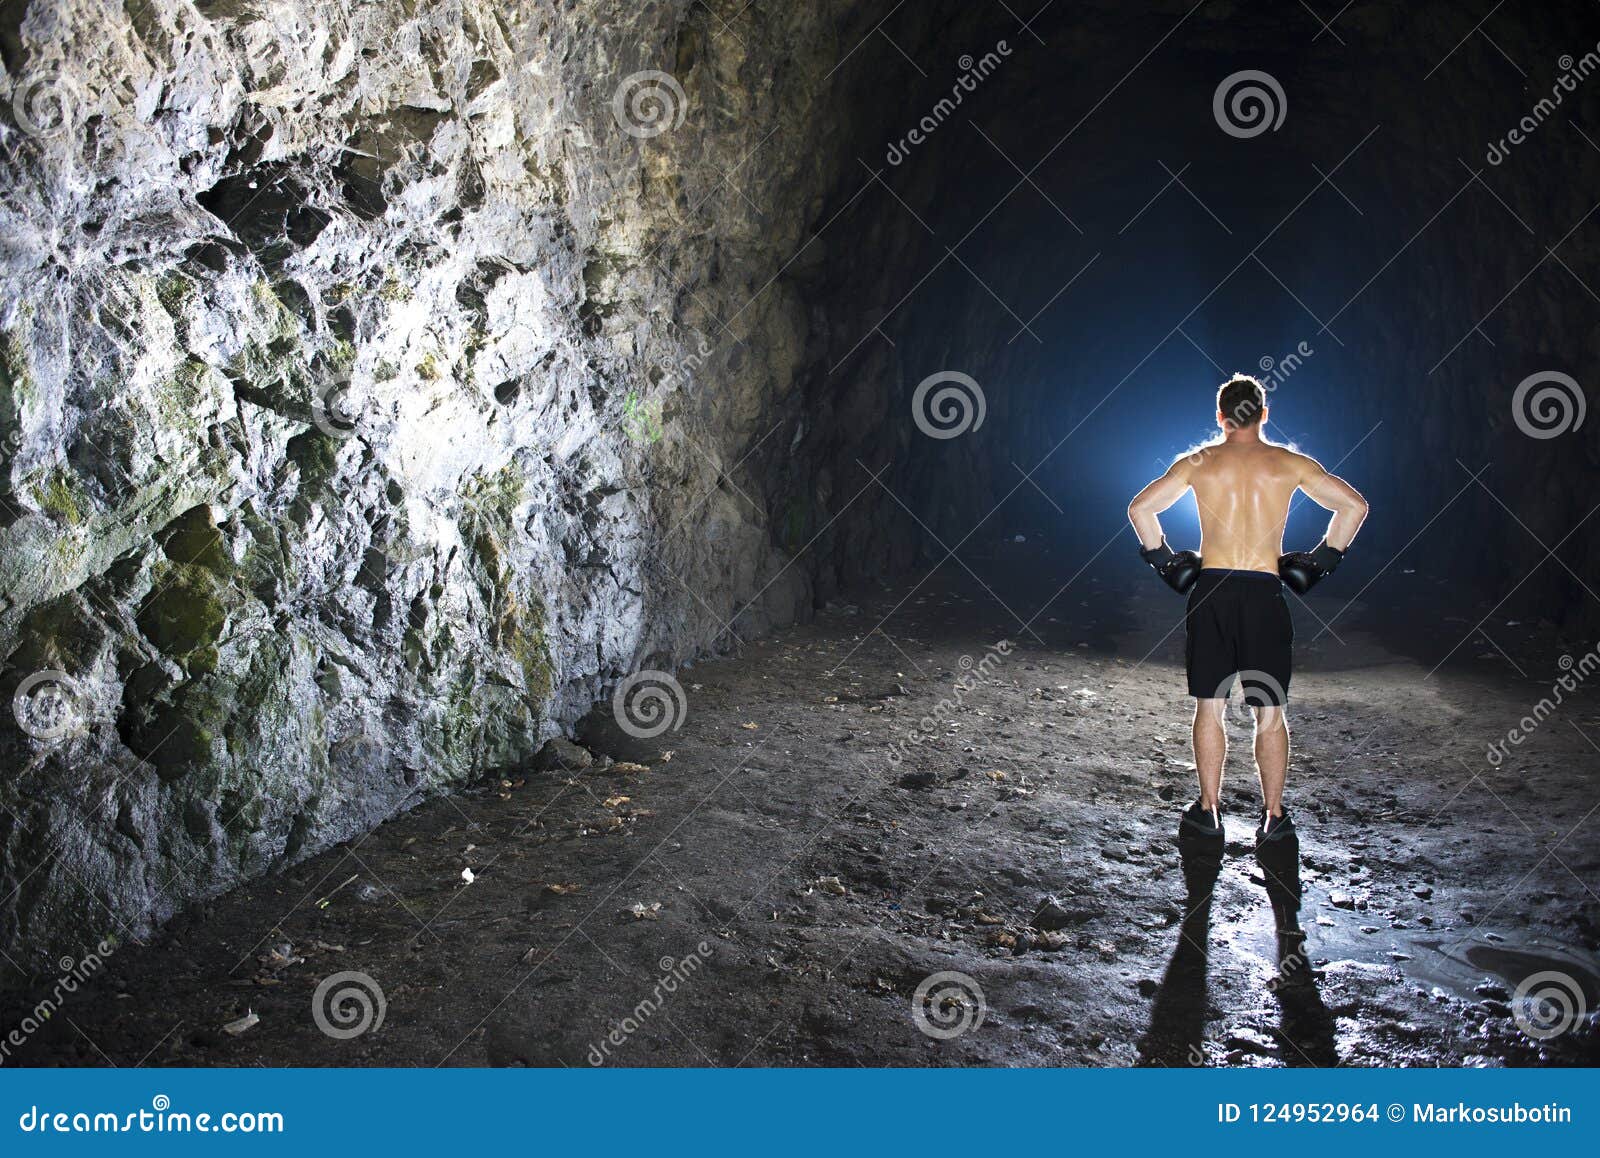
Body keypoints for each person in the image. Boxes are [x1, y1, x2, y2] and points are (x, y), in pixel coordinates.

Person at [1126, 374, 1368, 969]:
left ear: (1220, 415)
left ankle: (1208, 815)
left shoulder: (1199, 462)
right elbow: (1354, 506)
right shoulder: (1288, 462)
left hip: (1210, 591)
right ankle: (1275, 819)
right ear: (1263, 411)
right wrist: (1322, 561)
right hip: (1263, 593)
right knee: (1269, 710)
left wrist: (1164, 561)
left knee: (1209, 706)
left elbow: (1140, 508)